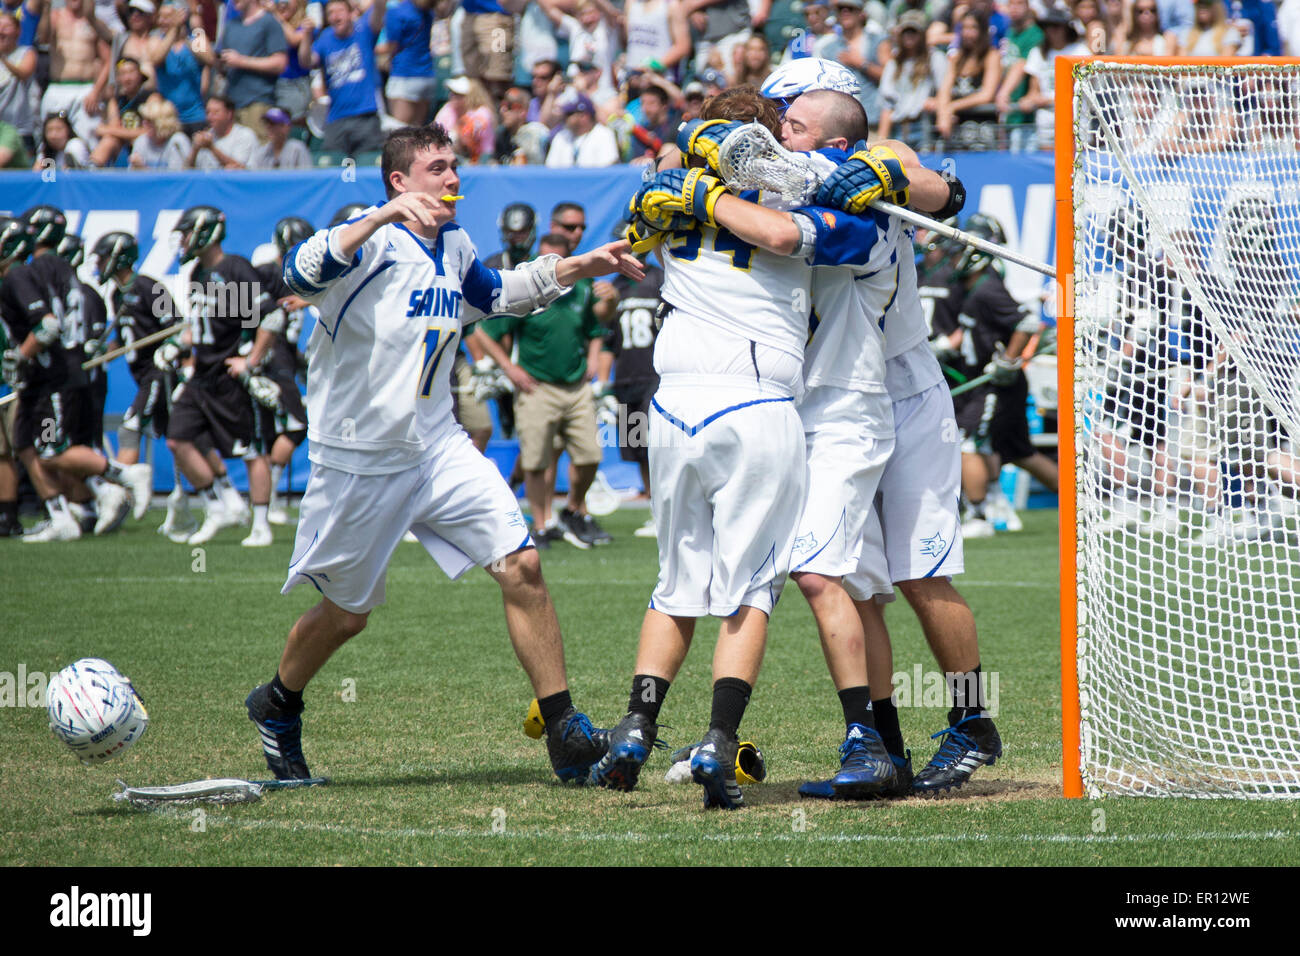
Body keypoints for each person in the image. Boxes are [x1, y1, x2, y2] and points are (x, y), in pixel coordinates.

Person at [245, 122, 642, 783]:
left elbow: (494, 295)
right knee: (347, 616)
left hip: (437, 443)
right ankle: (279, 703)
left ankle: (566, 733)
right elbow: (297, 272)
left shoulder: (454, 242)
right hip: (360, 458)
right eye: (437, 168)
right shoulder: (366, 239)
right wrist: (379, 215)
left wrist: (579, 265)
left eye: (455, 166)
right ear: (399, 181)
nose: (453, 177)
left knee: (522, 566)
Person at [587, 86, 886, 809]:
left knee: (675, 579)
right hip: (754, 396)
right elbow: (811, 236)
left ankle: (637, 724)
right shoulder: (800, 193)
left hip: (673, 397)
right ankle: (718, 741)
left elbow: (672, 199)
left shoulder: (682, 186)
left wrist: (688, 184)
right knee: (747, 589)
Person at [0, 208, 151, 541]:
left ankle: (121, 477)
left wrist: (19, 357)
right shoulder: (58, 270)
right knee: (25, 443)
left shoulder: (19, 277)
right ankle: (60, 516)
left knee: (53, 448)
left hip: (51, 375)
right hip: (48, 375)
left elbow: (48, 325)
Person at [476, 231, 613, 550]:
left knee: (591, 455)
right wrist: (509, 369)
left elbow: (596, 328)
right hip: (536, 386)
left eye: (556, 260)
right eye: (544, 260)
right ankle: (541, 525)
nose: (549, 267)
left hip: (576, 385)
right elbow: (486, 330)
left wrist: (593, 358)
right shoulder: (528, 289)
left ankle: (572, 510)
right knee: (536, 460)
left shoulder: (581, 288)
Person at [162, 204, 276, 545]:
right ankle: (219, 505)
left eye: (187, 233)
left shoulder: (235, 268)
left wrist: (251, 360)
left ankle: (261, 524)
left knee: (252, 449)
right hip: (202, 375)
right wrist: (180, 348)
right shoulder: (198, 273)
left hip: (230, 375)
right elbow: (200, 325)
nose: (183, 241)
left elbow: (270, 318)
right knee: (178, 439)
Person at [93, 229, 181, 519]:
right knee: (178, 439)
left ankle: (118, 497)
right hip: (142, 376)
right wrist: (100, 351)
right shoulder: (118, 295)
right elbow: (124, 339)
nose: (99, 264)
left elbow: (176, 327)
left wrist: (166, 349)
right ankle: (205, 498)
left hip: (160, 373)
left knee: (130, 428)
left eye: (104, 257)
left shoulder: (148, 287)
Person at [592, 248, 664, 538]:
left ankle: (666, 511)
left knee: (660, 446)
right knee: (640, 450)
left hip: (656, 375)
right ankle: (655, 510)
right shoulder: (616, 286)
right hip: (626, 380)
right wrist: (603, 382)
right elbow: (608, 341)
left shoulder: (661, 279)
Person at [303, 0, 385, 155]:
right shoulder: (325, 38)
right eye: (330, 13)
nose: (335, 16)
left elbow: (379, 12)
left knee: (367, 165)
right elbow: (307, 62)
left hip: (365, 116)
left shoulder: (363, 30)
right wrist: (306, 36)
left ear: (350, 13)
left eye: (339, 11)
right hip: (336, 119)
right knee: (334, 171)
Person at [211, 0, 289, 138]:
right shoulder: (230, 25)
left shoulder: (269, 22)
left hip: (258, 103)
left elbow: (280, 63)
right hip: (232, 105)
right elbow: (223, 64)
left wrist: (241, 61)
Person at [382, 0, 435, 125]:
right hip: (427, 75)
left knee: (400, 132)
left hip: (404, 76)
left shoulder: (396, 12)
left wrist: (371, 48)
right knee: (418, 134)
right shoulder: (428, 10)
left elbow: (392, 46)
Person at [544, 89, 620, 168]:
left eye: (569, 114)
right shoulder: (561, 137)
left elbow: (607, 170)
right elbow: (550, 170)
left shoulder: (603, 135)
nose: (565, 118)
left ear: (584, 116)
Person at [187, 94, 259, 169]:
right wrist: (195, 150)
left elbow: (238, 168)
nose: (210, 117)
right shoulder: (206, 136)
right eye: (207, 112)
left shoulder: (244, 135)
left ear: (229, 114)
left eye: (215, 112)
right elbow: (187, 170)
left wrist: (211, 148)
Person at [130, 95, 191, 169]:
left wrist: (143, 169)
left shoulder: (177, 142)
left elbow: (176, 178)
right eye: (144, 120)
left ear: (162, 123)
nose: (144, 124)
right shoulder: (141, 141)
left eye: (149, 121)